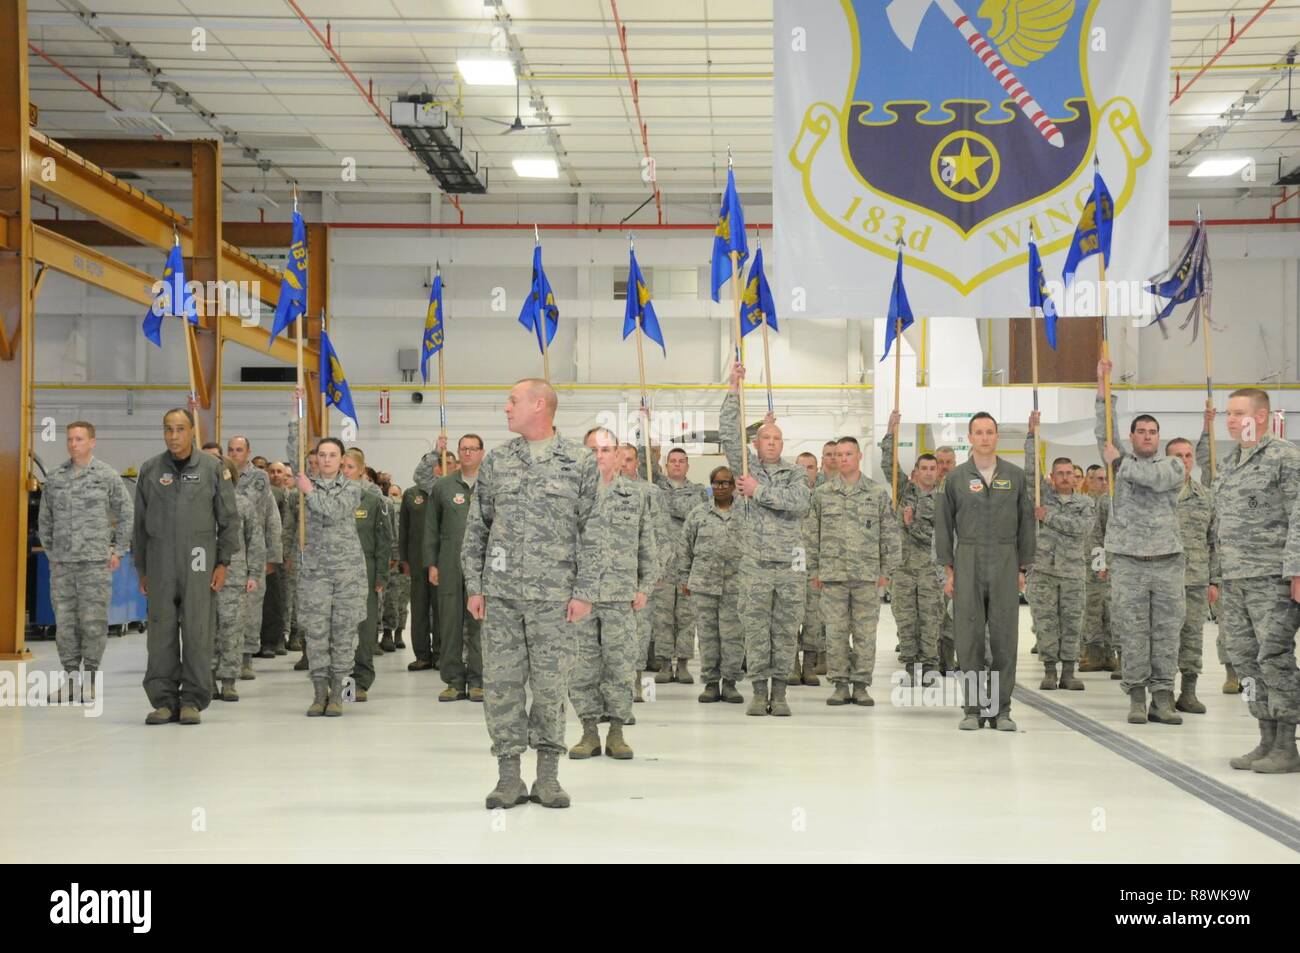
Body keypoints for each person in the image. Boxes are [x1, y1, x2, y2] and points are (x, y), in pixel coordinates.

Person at [461, 379, 599, 810]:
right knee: (501, 686)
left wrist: (585, 590)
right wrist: (475, 584)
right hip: (501, 598)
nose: (506, 407)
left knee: (550, 687)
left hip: (555, 599)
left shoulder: (579, 461)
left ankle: (548, 777)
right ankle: (508, 779)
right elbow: (478, 527)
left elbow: (593, 530)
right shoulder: (499, 460)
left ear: (540, 405)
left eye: (513, 400)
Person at [1203, 389, 1300, 772]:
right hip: (1234, 579)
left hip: (1271, 579)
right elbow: (1218, 527)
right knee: (1245, 662)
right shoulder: (1229, 464)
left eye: (1237, 413)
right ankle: (1265, 737)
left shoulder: (1284, 457)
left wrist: (1297, 570)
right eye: (1227, 413)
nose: (1229, 420)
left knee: (1274, 658)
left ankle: (1287, 745)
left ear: (1260, 416)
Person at [133, 409, 239, 725]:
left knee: (197, 633)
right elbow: (139, 524)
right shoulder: (151, 470)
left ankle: (193, 699)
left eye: (180, 429)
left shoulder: (212, 469)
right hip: (161, 565)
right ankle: (164, 701)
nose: (173, 436)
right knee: (160, 635)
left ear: (191, 431)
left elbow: (229, 519)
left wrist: (223, 562)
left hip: (199, 564)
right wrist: (142, 568)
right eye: (168, 429)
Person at [1096, 359, 1187, 725]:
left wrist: (1119, 464)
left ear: (1158, 438)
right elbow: (1103, 432)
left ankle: (1163, 697)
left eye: (1153, 431)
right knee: (1132, 631)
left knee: (1166, 632)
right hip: (1129, 561)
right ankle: (1136, 695)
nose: (1147, 436)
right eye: (1141, 431)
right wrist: (1103, 390)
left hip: (1166, 560)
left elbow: (1153, 479)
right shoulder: (1117, 463)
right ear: (1131, 437)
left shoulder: (1173, 466)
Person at [719, 362, 811, 716]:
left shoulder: (796, 473)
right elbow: (728, 433)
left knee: (786, 631)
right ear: (755, 443)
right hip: (754, 563)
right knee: (755, 630)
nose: (770, 443)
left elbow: (798, 503)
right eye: (765, 438)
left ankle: (782, 692)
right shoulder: (746, 467)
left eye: (776, 439)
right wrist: (732, 389)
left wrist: (758, 492)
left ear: (782, 444)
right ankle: (759, 690)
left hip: (789, 566)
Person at [933, 412, 1035, 731]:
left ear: (997, 437)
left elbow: (1026, 523)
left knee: (1005, 638)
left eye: (990, 432)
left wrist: (1022, 568)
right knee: (969, 638)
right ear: (970, 438)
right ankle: (974, 709)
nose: (985, 437)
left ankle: (1001, 710)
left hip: (1005, 559)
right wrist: (949, 571)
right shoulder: (955, 478)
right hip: (968, 559)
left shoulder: (1015, 477)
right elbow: (944, 525)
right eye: (978, 432)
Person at [568, 428, 658, 760]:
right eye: (593, 449)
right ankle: (589, 732)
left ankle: (617, 733)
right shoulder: (572, 497)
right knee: (582, 667)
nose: (599, 456)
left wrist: (644, 587)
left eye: (606, 449)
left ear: (618, 454)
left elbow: (648, 543)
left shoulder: (635, 496)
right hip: (582, 598)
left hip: (621, 596)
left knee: (620, 666)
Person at [37, 420, 133, 698]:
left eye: (79, 439)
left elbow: (126, 513)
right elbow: (45, 520)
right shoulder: (55, 478)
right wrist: (52, 554)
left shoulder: (106, 476)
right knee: (65, 623)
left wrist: (118, 550)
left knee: (92, 622)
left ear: (92, 441)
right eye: (69, 439)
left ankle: (90, 678)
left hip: (95, 564)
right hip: (63, 565)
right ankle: (69, 678)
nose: (73, 444)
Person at [807, 436, 899, 707]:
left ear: (859, 456)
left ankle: (860, 685)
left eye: (848, 453)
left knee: (865, 633)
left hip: (866, 575)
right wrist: (813, 569)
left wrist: (887, 571)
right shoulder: (822, 494)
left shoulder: (876, 493)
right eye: (838, 454)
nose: (843, 458)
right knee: (835, 632)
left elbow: (890, 534)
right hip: (832, 576)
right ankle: (839, 684)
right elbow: (812, 533)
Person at [295, 436, 367, 717]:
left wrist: (310, 491)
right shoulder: (304, 483)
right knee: (316, 636)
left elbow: (334, 510)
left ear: (340, 459)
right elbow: (294, 452)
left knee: (344, 636)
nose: (326, 460)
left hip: (347, 575)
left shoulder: (352, 488)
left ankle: (339, 694)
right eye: (321, 455)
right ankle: (318, 694)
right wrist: (295, 413)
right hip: (315, 574)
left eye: (332, 455)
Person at [1024, 412, 1094, 691]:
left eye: (1069, 474)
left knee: (1073, 622)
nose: (1065, 478)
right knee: (1045, 622)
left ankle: (1069, 671)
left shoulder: (1085, 503)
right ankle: (1050, 670)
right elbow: (1031, 471)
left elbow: (1082, 529)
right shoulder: (1042, 496)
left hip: (1073, 572)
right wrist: (1032, 436)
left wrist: (1048, 517)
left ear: (1075, 478)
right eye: (1060, 474)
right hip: (1043, 571)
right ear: (1052, 477)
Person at [423, 435, 487, 702]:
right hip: (449, 561)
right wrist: (432, 563)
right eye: (464, 449)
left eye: (473, 449)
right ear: (458, 453)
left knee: (479, 624)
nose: (468, 453)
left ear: (482, 453)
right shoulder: (444, 486)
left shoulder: (491, 484)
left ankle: (478, 680)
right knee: (449, 621)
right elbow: (431, 527)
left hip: (483, 565)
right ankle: (453, 680)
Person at [638, 445, 708, 685]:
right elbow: (643, 461)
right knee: (663, 615)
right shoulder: (655, 488)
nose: (677, 464)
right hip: (664, 564)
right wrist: (644, 440)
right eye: (673, 461)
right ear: (666, 466)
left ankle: (684, 664)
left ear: (688, 465)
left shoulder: (698, 492)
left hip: (689, 562)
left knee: (687, 616)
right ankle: (665, 663)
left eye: (681, 461)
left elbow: (698, 518)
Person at [682, 466, 745, 703]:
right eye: (717, 483)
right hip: (703, 586)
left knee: (733, 638)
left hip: (735, 587)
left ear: (733, 486)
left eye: (726, 483)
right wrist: (684, 578)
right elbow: (685, 548)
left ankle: (730, 682)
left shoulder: (746, 513)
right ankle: (710, 683)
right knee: (708, 637)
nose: (721, 487)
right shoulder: (698, 514)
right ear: (711, 485)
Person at [1166, 437, 1216, 714]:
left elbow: (1214, 540)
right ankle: (1162, 694)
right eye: (1178, 456)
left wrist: (1214, 580)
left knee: (1192, 638)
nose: (1184, 461)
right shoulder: (1156, 494)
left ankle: (1188, 693)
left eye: (1187, 455)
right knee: (1163, 639)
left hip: (1196, 579)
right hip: (1163, 579)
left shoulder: (1205, 496)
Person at [226, 436, 282, 676]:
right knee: (227, 610)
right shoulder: (220, 475)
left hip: (253, 551)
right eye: (231, 450)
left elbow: (270, 516)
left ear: (248, 452)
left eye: (239, 450)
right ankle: (225, 657)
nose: (235, 453)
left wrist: (272, 555)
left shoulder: (260, 478)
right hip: (228, 552)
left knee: (252, 607)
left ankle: (247, 656)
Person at [1195, 410, 1240, 694]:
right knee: (1228, 625)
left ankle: (1254, 681)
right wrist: (1207, 425)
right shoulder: (1216, 483)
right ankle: (1232, 673)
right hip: (1224, 569)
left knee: (1256, 631)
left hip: (1254, 567)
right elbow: (1204, 456)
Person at [213, 458, 263, 702]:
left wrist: (254, 574)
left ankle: (229, 680)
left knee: (231, 631)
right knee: (205, 630)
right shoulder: (199, 505)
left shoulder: (242, 505)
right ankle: (207, 677)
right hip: (203, 578)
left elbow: (255, 542)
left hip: (234, 578)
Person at [892, 452, 944, 684]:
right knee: (905, 618)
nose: (929, 472)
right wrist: (890, 433)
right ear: (916, 472)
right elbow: (889, 465)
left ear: (938, 472)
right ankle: (912, 665)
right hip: (903, 569)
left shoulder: (944, 500)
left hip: (930, 570)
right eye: (924, 468)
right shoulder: (904, 491)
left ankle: (930, 665)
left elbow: (937, 536)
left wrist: (911, 525)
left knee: (930, 619)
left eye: (932, 468)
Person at [343, 448, 390, 702]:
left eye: (350, 467)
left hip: (366, 570)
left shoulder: (373, 499)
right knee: (341, 630)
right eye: (343, 467)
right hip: (338, 571)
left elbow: (384, 540)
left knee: (364, 628)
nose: (345, 472)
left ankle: (358, 683)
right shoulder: (331, 496)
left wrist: (382, 575)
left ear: (362, 470)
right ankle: (339, 681)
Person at [1078, 464, 1117, 675]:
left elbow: (1106, 536)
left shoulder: (1108, 503)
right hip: (1084, 564)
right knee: (1091, 609)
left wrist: (1104, 564)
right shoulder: (1083, 502)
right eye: (1098, 479)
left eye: (1105, 479)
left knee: (1108, 609)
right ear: (1088, 480)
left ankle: (1109, 654)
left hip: (1102, 563)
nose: (1102, 483)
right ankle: (1092, 653)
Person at [400, 471, 440, 672]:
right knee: (419, 608)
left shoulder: (445, 491)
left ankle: (441, 654)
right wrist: (403, 559)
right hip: (417, 561)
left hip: (440, 561)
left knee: (442, 609)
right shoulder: (410, 495)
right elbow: (404, 529)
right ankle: (422, 655)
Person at [794, 451, 824, 684]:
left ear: (817, 469)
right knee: (791, 615)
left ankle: (809, 665)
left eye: (810, 467)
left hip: (817, 562)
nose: (806, 471)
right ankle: (792, 663)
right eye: (801, 467)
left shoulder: (825, 497)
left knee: (814, 616)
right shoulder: (788, 495)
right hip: (792, 561)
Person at [380, 483, 409, 652]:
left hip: (403, 559)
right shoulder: (385, 510)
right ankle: (387, 632)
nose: (393, 498)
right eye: (390, 494)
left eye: (396, 494)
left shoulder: (404, 512)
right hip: (389, 559)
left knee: (402, 599)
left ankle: (399, 632)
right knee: (389, 598)